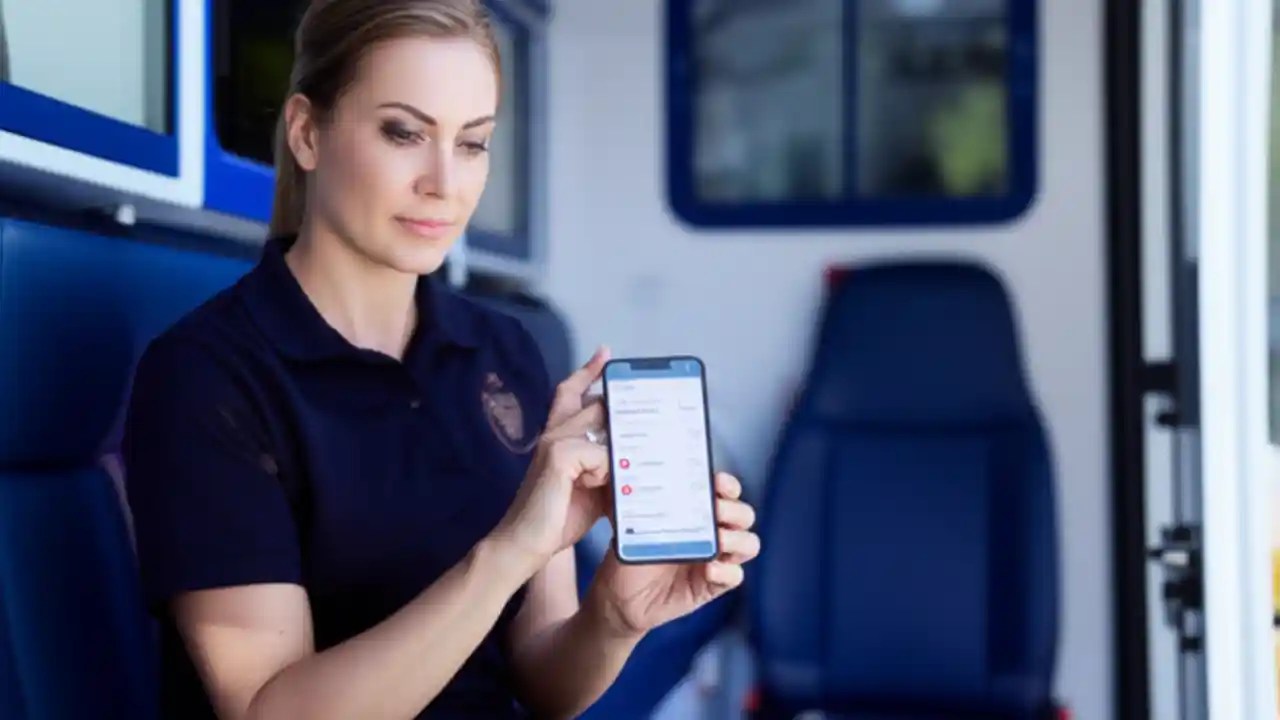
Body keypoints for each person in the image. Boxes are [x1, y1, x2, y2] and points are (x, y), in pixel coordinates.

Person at [121, 1, 760, 719]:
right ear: (306, 131)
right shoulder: (206, 376)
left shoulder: (504, 350)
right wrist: (510, 552)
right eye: (404, 133)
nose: (445, 183)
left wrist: (614, 615)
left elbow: (545, 682)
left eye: (472, 143)